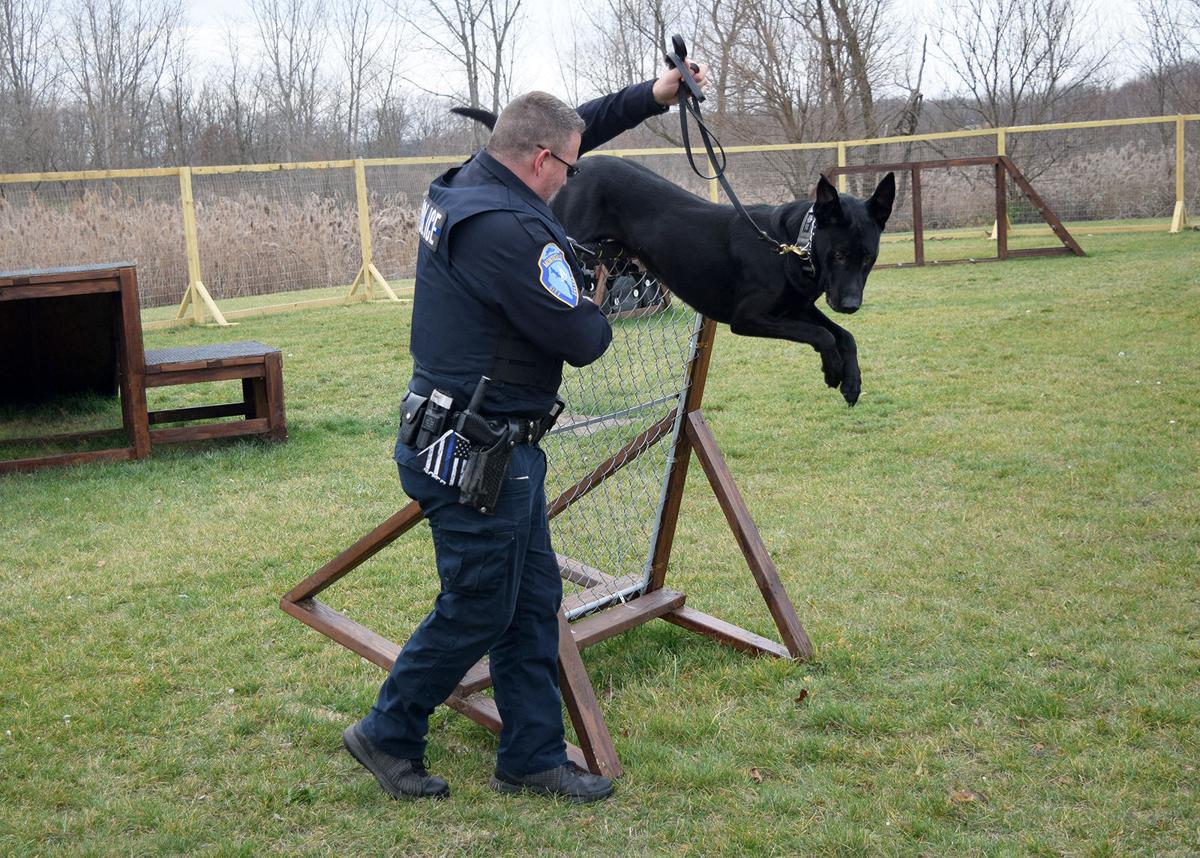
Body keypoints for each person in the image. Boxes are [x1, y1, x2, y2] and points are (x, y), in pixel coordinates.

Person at [342, 59, 707, 804]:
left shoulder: (470, 185)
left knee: (532, 598)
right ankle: (387, 729)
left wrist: (653, 96)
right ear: (540, 161)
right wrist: (602, 284)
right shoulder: (510, 233)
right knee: (479, 604)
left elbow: (569, 127)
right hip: (478, 452)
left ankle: (532, 756)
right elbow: (584, 340)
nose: (572, 185)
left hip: (473, 437)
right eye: (567, 172)